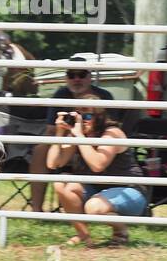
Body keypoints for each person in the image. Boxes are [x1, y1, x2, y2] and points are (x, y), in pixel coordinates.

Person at [48, 104, 150, 247]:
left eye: (87, 116)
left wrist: (79, 136)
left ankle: (121, 230)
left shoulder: (112, 133)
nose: (82, 121)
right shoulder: (78, 135)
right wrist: (59, 133)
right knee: (61, 183)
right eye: (78, 117)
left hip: (130, 192)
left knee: (93, 207)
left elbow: (97, 165)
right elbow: (53, 164)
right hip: (97, 191)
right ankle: (83, 236)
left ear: (100, 117)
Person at [27, 56, 113, 211]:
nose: (76, 79)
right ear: (66, 77)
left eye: (81, 74)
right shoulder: (61, 94)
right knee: (40, 149)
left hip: (96, 143)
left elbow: (109, 129)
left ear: (90, 76)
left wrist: (83, 134)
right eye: (71, 75)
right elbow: (50, 130)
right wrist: (65, 132)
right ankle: (37, 210)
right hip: (69, 140)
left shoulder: (104, 96)